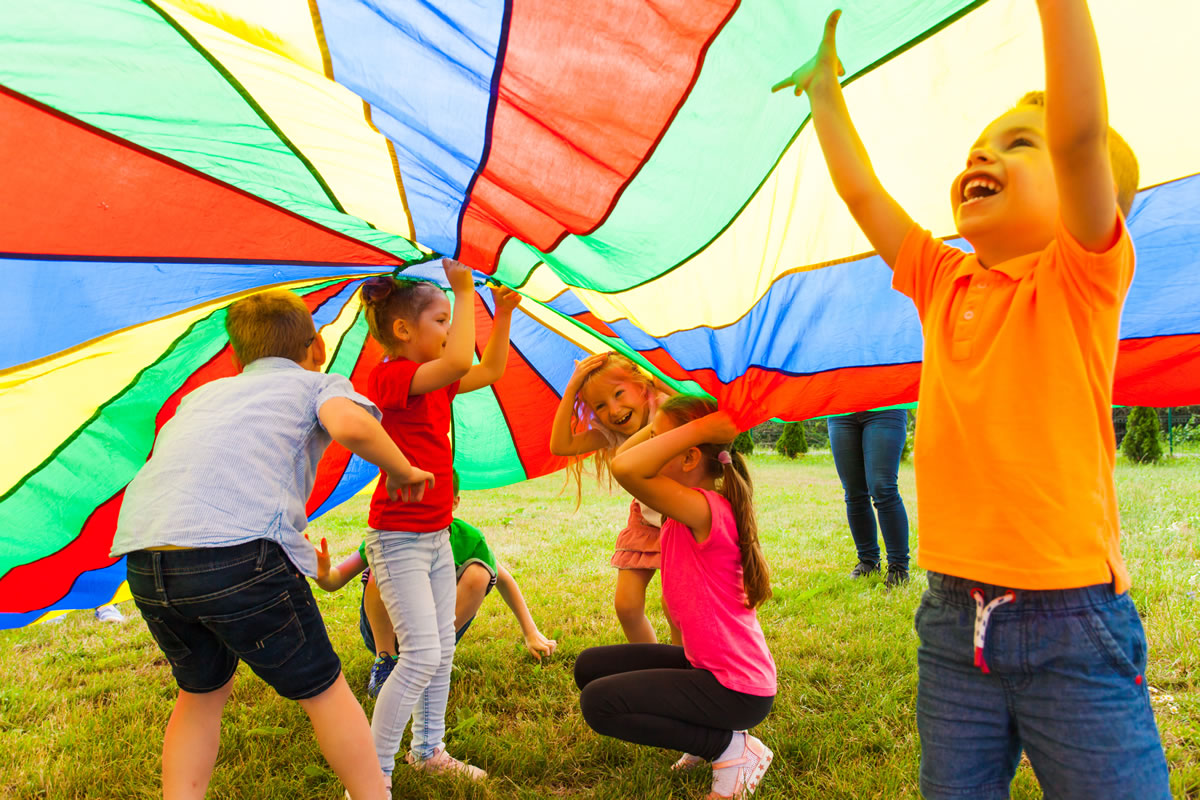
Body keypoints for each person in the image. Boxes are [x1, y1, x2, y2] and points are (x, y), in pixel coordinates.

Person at [775, 4, 1169, 797]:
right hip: (955, 625)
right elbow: (864, 198)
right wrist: (825, 92)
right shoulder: (942, 279)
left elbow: (1080, 134)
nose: (984, 151)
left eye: (1021, 143)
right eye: (979, 145)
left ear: (1089, 198)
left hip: (1074, 625)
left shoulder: (1082, 278)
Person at [110, 289, 433, 800]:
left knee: (199, 694)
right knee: (325, 692)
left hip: (147, 559)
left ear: (237, 357)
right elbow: (351, 424)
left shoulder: (201, 395)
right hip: (239, 554)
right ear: (318, 348)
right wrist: (404, 468)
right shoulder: (315, 383)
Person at [359, 259, 520, 784]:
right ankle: (371, 778)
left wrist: (506, 315)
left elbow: (488, 370)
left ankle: (428, 749)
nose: (452, 330)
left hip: (434, 534)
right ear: (404, 329)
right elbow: (455, 364)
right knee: (422, 653)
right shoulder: (393, 377)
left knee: (441, 649)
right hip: (399, 536)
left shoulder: (434, 383)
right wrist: (467, 288)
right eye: (442, 319)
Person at [575, 395, 776, 800]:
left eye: (660, 440)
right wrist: (660, 423)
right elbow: (627, 456)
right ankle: (712, 736)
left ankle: (731, 749)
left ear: (687, 458)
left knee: (600, 704)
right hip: (707, 670)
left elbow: (624, 466)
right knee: (590, 668)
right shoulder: (687, 504)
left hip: (736, 690)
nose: (650, 444)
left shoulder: (706, 510)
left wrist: (699, 428)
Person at [310, 469, 557, 697]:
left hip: (437, 633)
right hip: (388, 632)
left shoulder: (469, 540)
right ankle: (385, 662)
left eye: (436, 501)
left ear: (454, 503)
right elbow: (335, 580)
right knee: (381, 569)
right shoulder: (389, 535)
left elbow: (503, 578)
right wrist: (323, 573)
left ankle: (430, 660)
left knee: (480, 573)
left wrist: (531, 632)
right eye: (418, 501)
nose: (425, 511)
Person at [549, 352, 680, 645]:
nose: (614, 409)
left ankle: (680, 669)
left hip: (682, 519)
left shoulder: (667, 406)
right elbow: (560, 445)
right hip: (645, 519)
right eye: (600, 405)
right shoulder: (610, 432)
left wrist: (660, 380)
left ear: (642, 384)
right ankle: (651, 666)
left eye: (619, 393)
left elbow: (700, 405)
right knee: (627, 606)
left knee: (676, 610)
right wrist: (572, 388)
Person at [825, 409, 910, 585]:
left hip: (885, 407)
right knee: (854, 491)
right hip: (842, 410)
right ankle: (868, 561)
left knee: (882, 487)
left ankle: (899, 567)